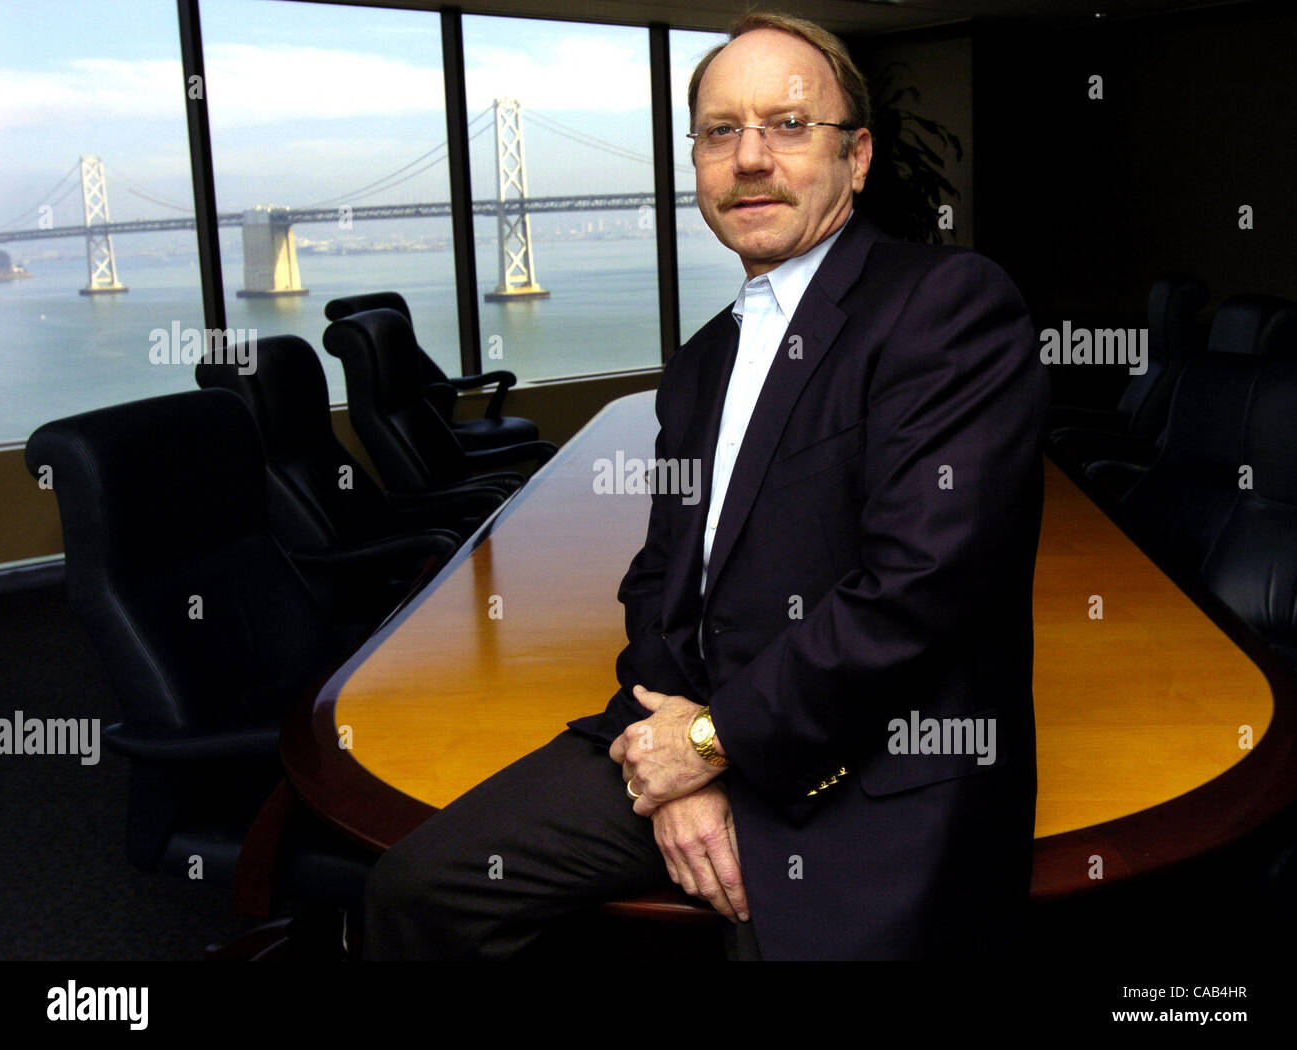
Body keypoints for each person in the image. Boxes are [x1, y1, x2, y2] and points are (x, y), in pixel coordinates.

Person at [362, 11, 1048, 961]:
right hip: (698, 724)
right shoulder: (700, 362)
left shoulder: (945, 307)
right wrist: (683, 749)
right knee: (420, 892)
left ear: (857, 158)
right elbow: (662, 581)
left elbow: (920, 592)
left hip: (877, 762)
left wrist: (715, 744)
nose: (751, 157)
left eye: (789, 125)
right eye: (721, 131)